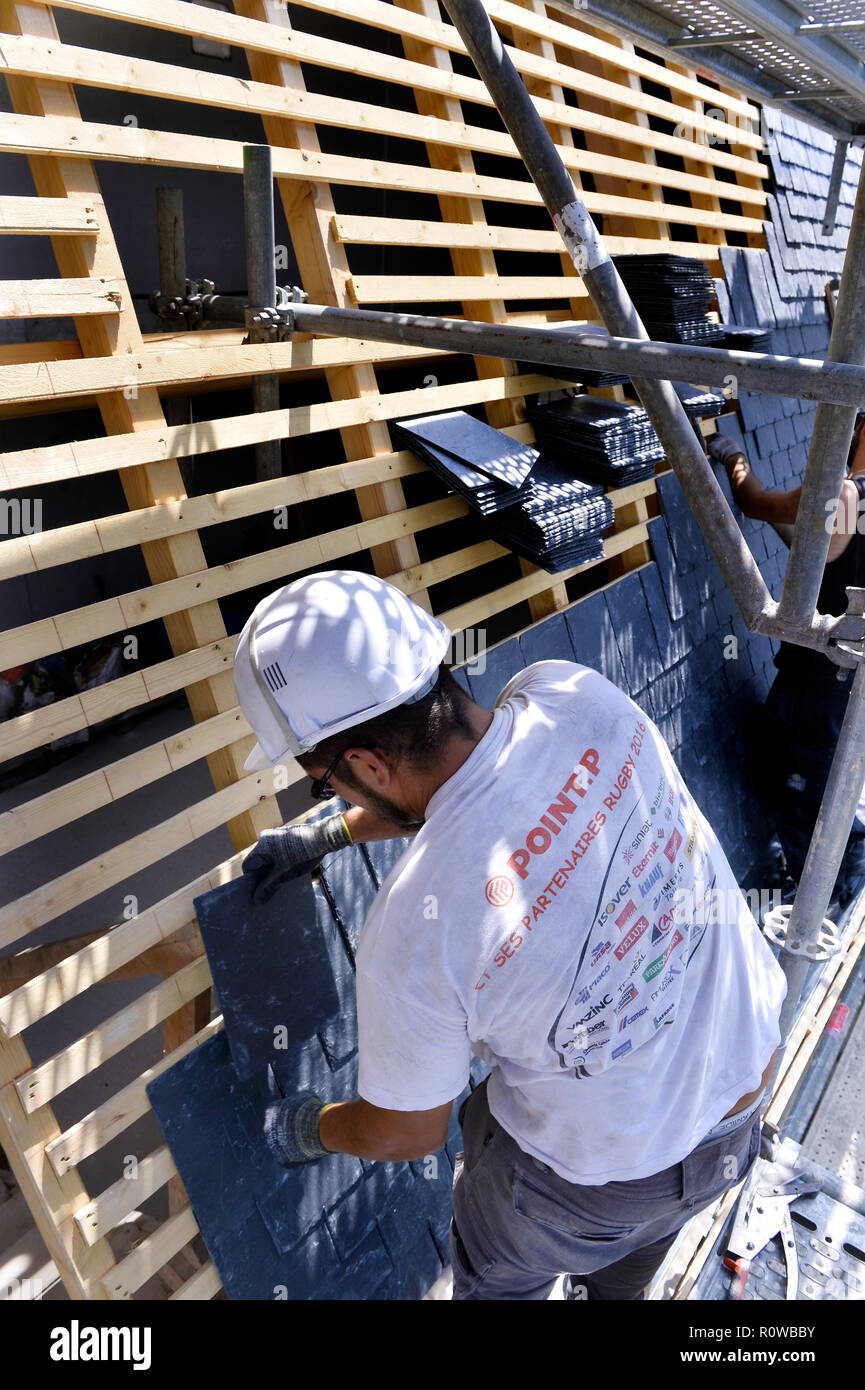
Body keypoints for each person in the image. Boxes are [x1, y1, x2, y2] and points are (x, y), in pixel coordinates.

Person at [234, 569, 786, 1301]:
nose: (331, 795)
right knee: (629, 1252)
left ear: (364, 764)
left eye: (325, 784)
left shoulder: (407, 937)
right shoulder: (571, 695)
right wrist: (331, 834)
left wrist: (315, 1128)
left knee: (503, 1268)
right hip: (744, 1094)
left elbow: (406, 1134)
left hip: (604, 1181)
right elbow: (483, 791)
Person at [709, 415, 865, 911]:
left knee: (795, 786)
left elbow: (753, 501)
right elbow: (814, 552)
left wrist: (732, 455)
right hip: (844, 683)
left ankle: (820, 891)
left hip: (815, 686)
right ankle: (854, 845)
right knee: (817, 773)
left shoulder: (843, 498)